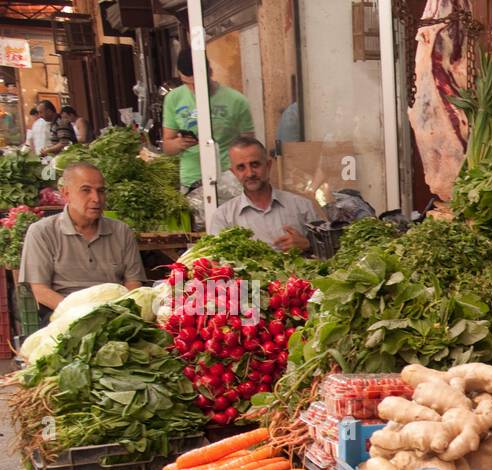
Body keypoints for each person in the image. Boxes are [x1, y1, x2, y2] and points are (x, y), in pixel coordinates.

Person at [19, 162, 146, 311]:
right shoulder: (42, 232)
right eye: (86, 190)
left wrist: (119, 313)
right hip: (63, 314)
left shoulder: (121, 231)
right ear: (66, 194)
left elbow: (133, 283)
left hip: (115, 314)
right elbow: (40, 291)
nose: (96, 199)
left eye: (100, 191)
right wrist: (81, 314)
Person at [162, 48, 255, 191]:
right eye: (187, 83)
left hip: (229, 178)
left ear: (209, 72)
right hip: (191, 179)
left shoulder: (237, 100)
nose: (194, 88)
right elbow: (167, 147)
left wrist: (237, 171)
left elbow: (249, 145)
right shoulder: (173, 99)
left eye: (198, 82)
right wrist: (179, 143)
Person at [206, 135, 320, 252]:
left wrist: (308, 244)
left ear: (268, 166)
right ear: (234, 172)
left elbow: (329, 252)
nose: (250, 173)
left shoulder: (302, 207)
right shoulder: (224, 217)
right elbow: (217, 260)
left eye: (255, 165)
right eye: (241, 167)